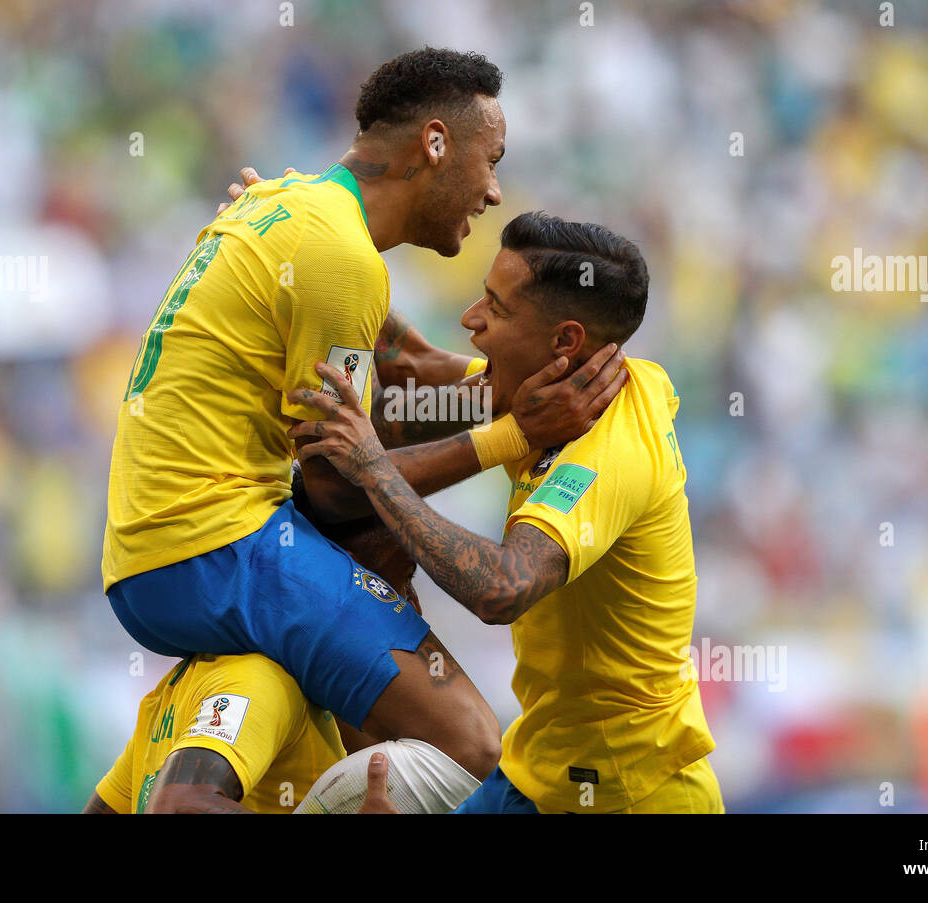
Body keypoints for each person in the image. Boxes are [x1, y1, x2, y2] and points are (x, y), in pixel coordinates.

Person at [102, 47, 624, 787]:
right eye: (492, 160)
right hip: (212, 548)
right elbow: (343, 486)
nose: (495, 192)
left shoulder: (291, 205)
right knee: (475, 749)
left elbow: (404, 365)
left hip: (154, 551)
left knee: (361, 734)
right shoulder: (340, 256)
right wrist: (515, 432)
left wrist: (515, 384)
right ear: (436, 143)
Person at [292, 211, 724, 814]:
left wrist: (375, 468)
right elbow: (406, 360)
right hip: (540, 772)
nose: (470, 319)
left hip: (627, 790)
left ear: (565, 341)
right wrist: (300, 232)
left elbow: (501, 588)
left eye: (494, 307)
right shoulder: (541, 393)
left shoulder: (611, 448)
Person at [84, 483, 474, 815]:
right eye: (393, 584)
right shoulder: (259, 679)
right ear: (337, 578)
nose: (411, 606)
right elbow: (181, 805)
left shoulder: (180, 686)